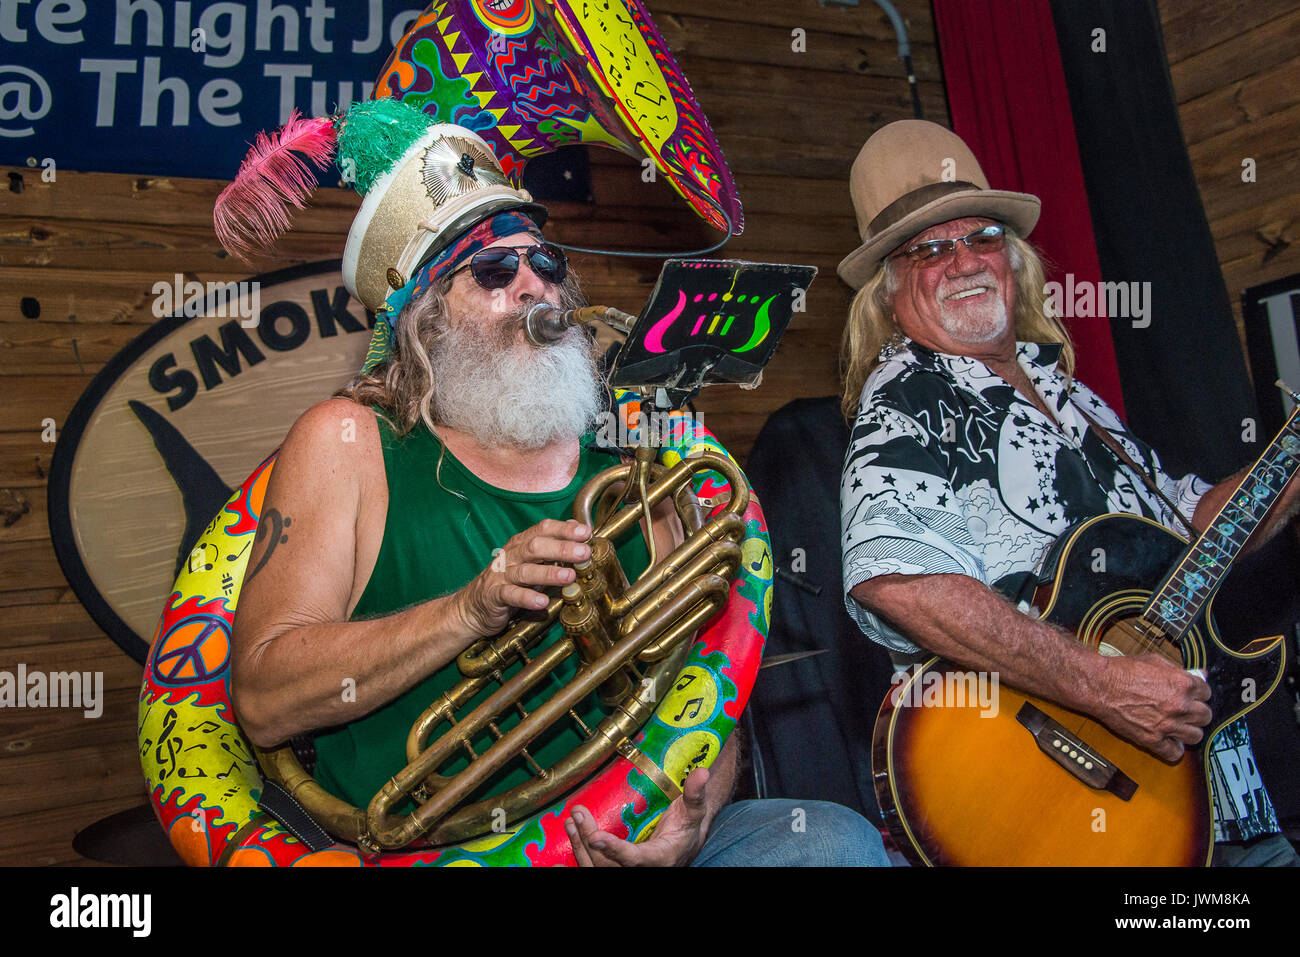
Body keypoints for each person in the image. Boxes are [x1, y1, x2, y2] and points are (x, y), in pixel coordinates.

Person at [228, 110, 886, 867]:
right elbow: (265, 695)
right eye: (494, 271)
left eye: (545, 260)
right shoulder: (347, 442)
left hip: (624, 835)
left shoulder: (636, 450)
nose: (535, 284)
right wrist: (469, 609)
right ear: (424, 316)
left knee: (834, 842)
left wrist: (691, 814)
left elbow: (705, 678)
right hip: (442, 852)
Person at [836, 119, 1300, 866]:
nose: (963, 261)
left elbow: (1195, 529)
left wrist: (1290, 467)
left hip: (1206, 793)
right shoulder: (910, 401)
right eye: (929, 249)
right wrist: (1104, 686)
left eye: (982, 236)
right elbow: (899, 579)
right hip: (1058, 803)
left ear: (1013, 260)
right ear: (890, 297)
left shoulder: (1072, 396)